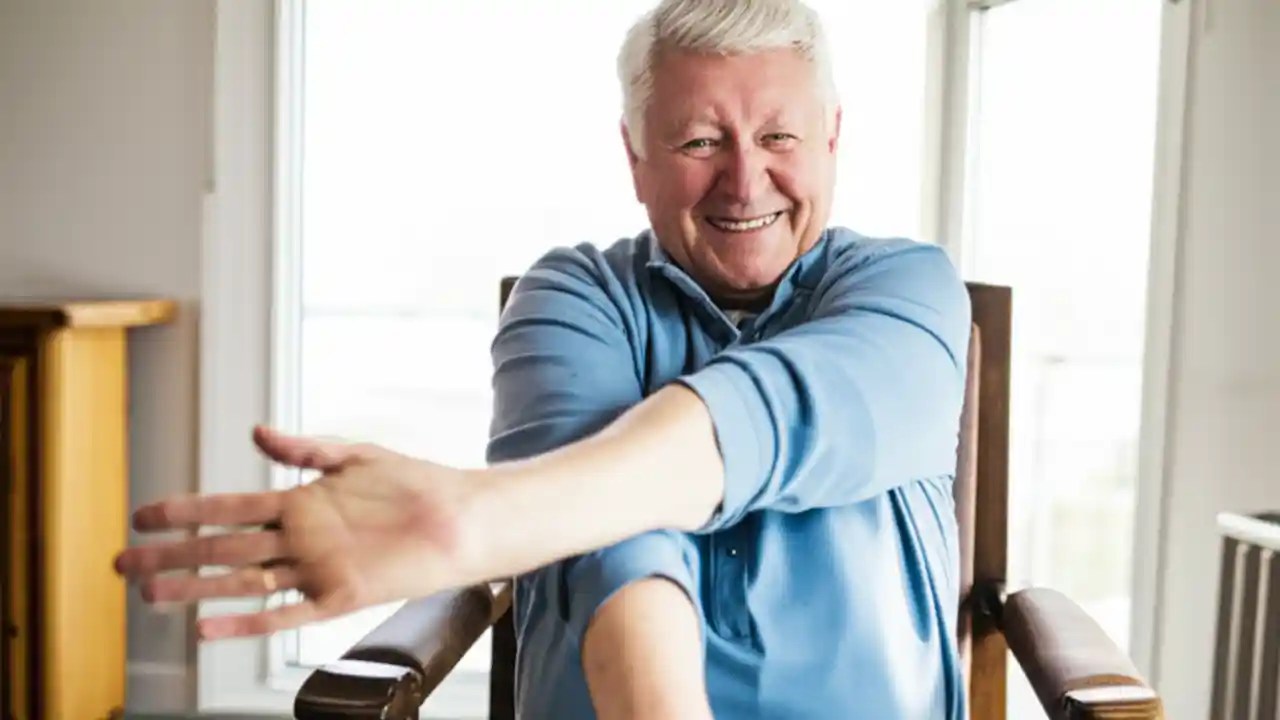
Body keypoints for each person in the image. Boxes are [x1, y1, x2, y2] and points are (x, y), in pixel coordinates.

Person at [114, 0, 972, 717]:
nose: (744, 182)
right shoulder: (572, 294)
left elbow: (774, 414)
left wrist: (471, 517)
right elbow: (617, 550)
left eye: (779, 137)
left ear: (831, 137)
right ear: (636, 158)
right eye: (700, 143)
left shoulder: (910, 291)